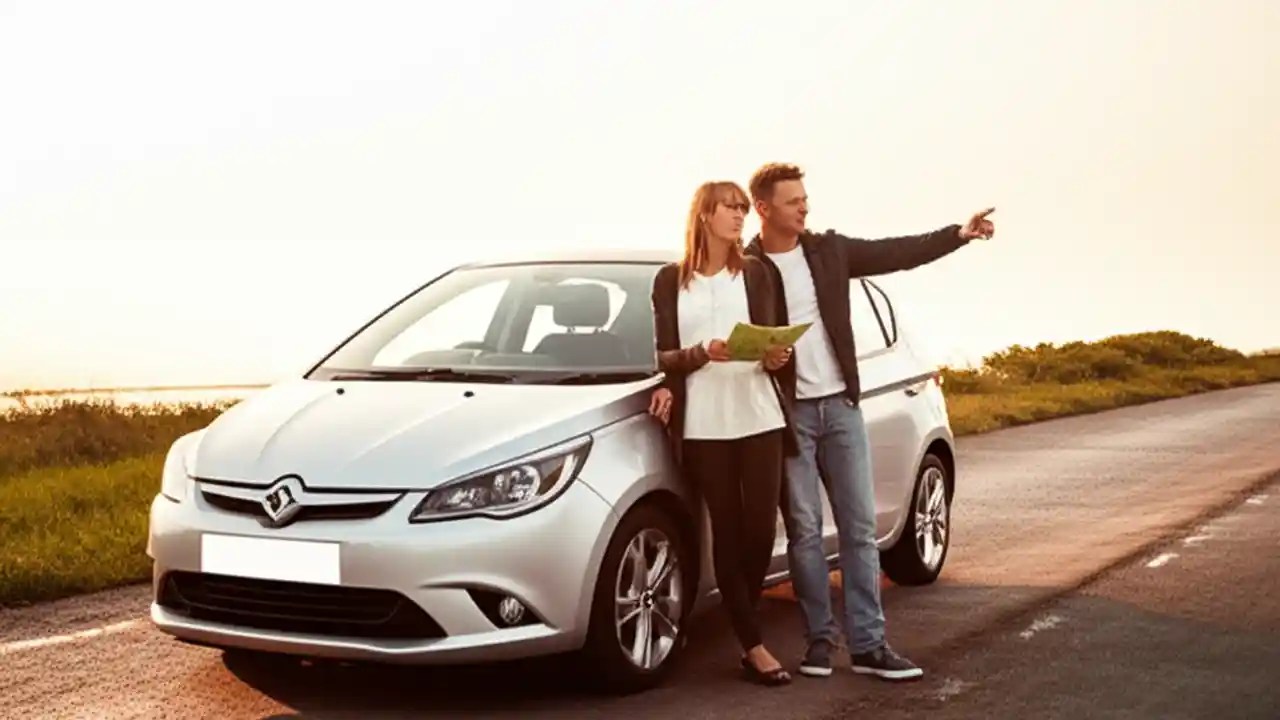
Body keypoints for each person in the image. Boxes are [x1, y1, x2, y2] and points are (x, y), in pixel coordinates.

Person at [742, 162, 995, 681]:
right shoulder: (746, 267)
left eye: (805, 198)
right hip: (788, 417)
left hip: (841, 407)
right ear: (764, 209)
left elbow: (894, 252)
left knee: (858, 530)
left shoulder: (829, 251)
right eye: (794, 201)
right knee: (805, 534)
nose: (805, 207)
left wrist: (958, 235)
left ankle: (869, 644)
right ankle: (818, 644)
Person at [646, 180, 798, 686]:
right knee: (727, 531)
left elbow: (774, 338)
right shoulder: (671, 281)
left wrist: (777, 355)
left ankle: (742, 622)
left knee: (759, 531)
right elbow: (664, 355)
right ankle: (752, 644)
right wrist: (698, 355)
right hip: (706, 423)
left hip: (758, 415)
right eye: (730, 208)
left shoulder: (755, 274)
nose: (739, 216)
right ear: (705, 215)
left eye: (741, 208)